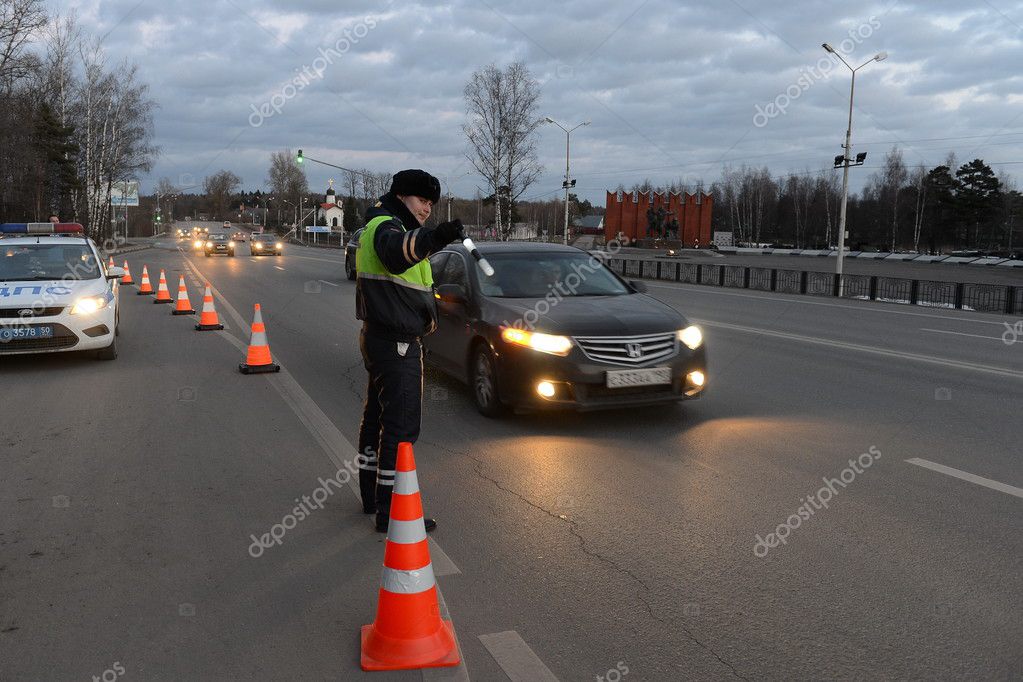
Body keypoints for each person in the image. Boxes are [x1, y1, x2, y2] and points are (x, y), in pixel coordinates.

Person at [355, 169, 464, 533]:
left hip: (381, 336)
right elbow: (396, 256)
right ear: (402, 196)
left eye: (432, 204)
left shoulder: (383, 224)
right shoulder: (387, 229)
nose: (427, 209)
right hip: (396, 342)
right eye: (422, 201)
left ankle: (372, 497)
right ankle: (392, 510)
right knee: (400, 428)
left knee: (377, 420)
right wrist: (436, 237)